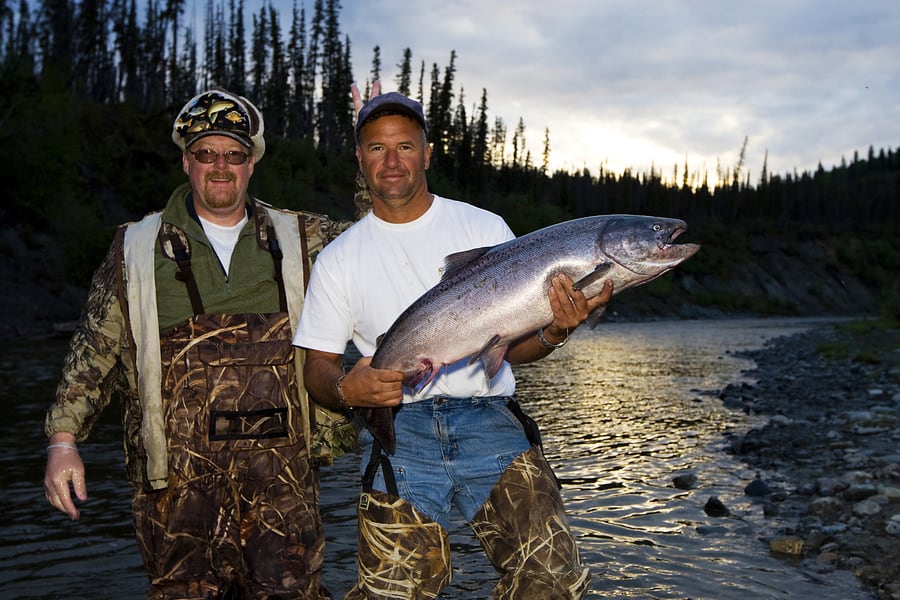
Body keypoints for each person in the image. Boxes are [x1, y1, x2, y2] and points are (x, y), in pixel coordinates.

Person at [294, 87, 614, 599]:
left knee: (553, 582)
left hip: (489, 421)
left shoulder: (484, 226)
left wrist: (556, 330)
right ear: (360, 159)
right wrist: (347, 390)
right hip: (401, 431)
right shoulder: (340, 258)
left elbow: (515, 347)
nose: (392, 160)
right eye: (377, 147)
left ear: (427, 152)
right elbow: (318, 370)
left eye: (405, 146)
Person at [43, 86, 354, 599]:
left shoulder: (306, 237)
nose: (220, 166)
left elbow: (386, 241)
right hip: (176, 494)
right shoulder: (134, 247)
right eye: (206, 153)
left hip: (285, 488)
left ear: (251, 163)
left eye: (234, 154)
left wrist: (372, 141)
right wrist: (62, 441)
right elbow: (92, 354)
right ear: (186, 161)